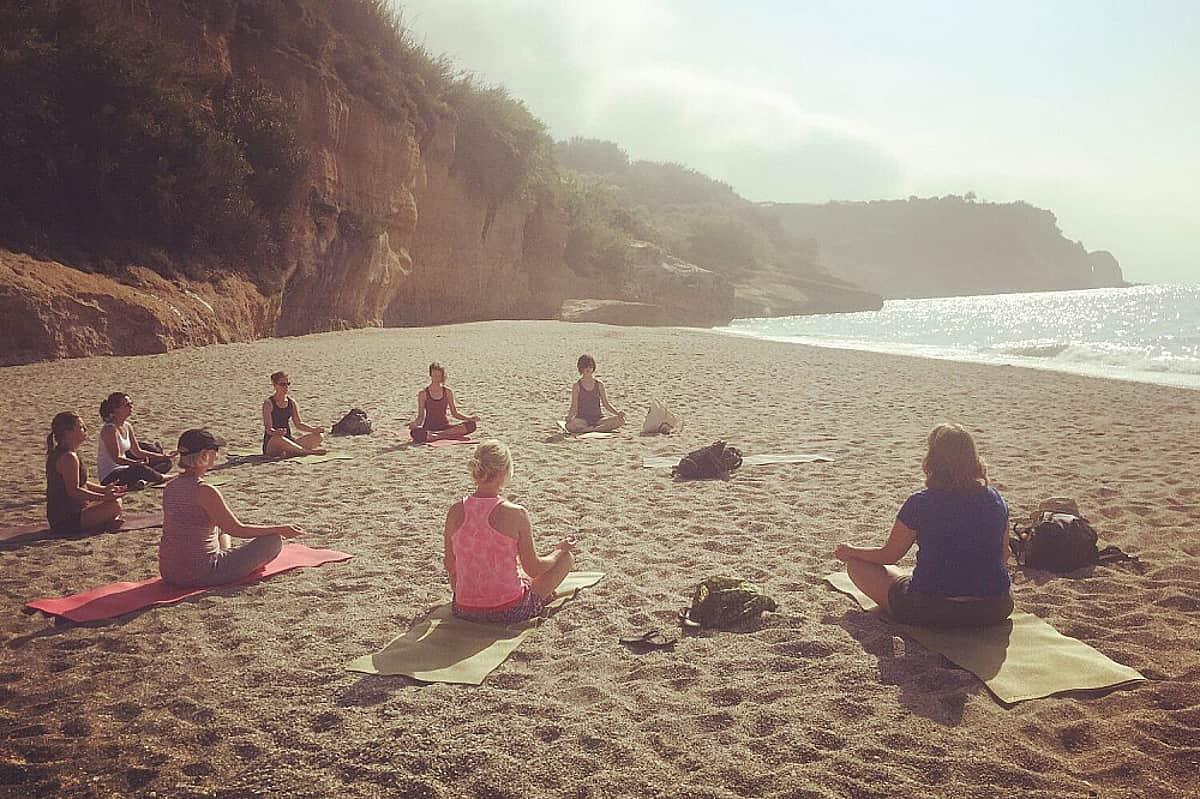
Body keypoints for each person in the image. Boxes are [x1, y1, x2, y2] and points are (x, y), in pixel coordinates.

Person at [833, 423, 1014, 627]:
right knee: (907, 573)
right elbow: (1004, 554)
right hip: (995, 608)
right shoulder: (996, 499)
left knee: (858, 566)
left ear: (933, 460)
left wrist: (852, 551)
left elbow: (889, 556)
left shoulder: (921, 502)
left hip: (931, 609)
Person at [443, 440, 577, 624]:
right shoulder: (516, 513)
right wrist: (559, 550)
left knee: (518, 573)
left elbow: (450, 564)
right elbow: (534, 568)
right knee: (566, 559)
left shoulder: (455, 511)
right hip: (510, 611)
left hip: (463, 610)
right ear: (505, 471)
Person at [160, 429, 303, 587]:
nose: (217, 454)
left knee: (219, 530)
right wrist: (280, 529)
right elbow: (238, 530)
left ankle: (223, 555)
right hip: (199, 573)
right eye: (215, 451)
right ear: (205, 454)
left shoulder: (170, 486)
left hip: (168, 572)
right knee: (272, 541)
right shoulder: (204, 490)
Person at [45, 412, 125, 535]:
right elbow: (74, 491)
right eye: (81, 427)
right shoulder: (68, 457)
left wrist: (104, 490)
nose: (86, 430)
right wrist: (103, 497)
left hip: (75, 511)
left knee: (116, 500)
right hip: (65, 519)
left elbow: (82, 482)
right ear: (68, 433)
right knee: (114, 506)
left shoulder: (70, 452)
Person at [97, 392, 173, 489]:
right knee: (139, 469)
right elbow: (117, 459)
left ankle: (144, 481)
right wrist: (136, 463)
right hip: (111, 475)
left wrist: (162, 456)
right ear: (116, 409)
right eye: (127, 405)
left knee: (166, 462)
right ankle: (164, 478)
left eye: (131, 403)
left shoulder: (127, 426)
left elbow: (137, 452)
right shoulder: (109, 429)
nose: (131, 407)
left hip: (126, 469)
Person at [409, 362, 478, 443]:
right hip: (429, 428)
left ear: (442, 376)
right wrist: (415, 424)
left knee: (471, 425)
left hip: (445, 427)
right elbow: (421, 416)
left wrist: (468, 418)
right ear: (430, 375)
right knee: (416, 433)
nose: (436, 378)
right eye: (434, 376)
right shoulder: (423, 394)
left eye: (438, 376)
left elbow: (454, 413)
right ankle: (442, 436)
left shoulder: (447, 392)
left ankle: (438, 435)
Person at [262, 371, 327, 457]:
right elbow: (268, 429)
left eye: (287, 384)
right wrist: (276, 432)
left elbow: (298, 424)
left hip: (288, 440)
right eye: (282, 384)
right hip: (273, 443)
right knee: (278, 438)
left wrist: (314, 430)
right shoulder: (268, 403)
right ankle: (308, 452)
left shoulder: (291, 402)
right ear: (275, 385)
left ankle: (294, 450)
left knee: (318, 436)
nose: (285, 387)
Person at [564, 354, 625, 433]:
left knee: (620, 421)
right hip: (582, 419)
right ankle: (597, 429)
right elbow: (574, 406)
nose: (588, 369)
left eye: (590, 366)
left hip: (598, 419)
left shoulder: (599, 384)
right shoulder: (577, 386)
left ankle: (593, 429)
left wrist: (617, 413)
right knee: (570, 426)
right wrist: (569, 417)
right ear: (581, 368)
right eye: (585, 366)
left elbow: (606, 404)